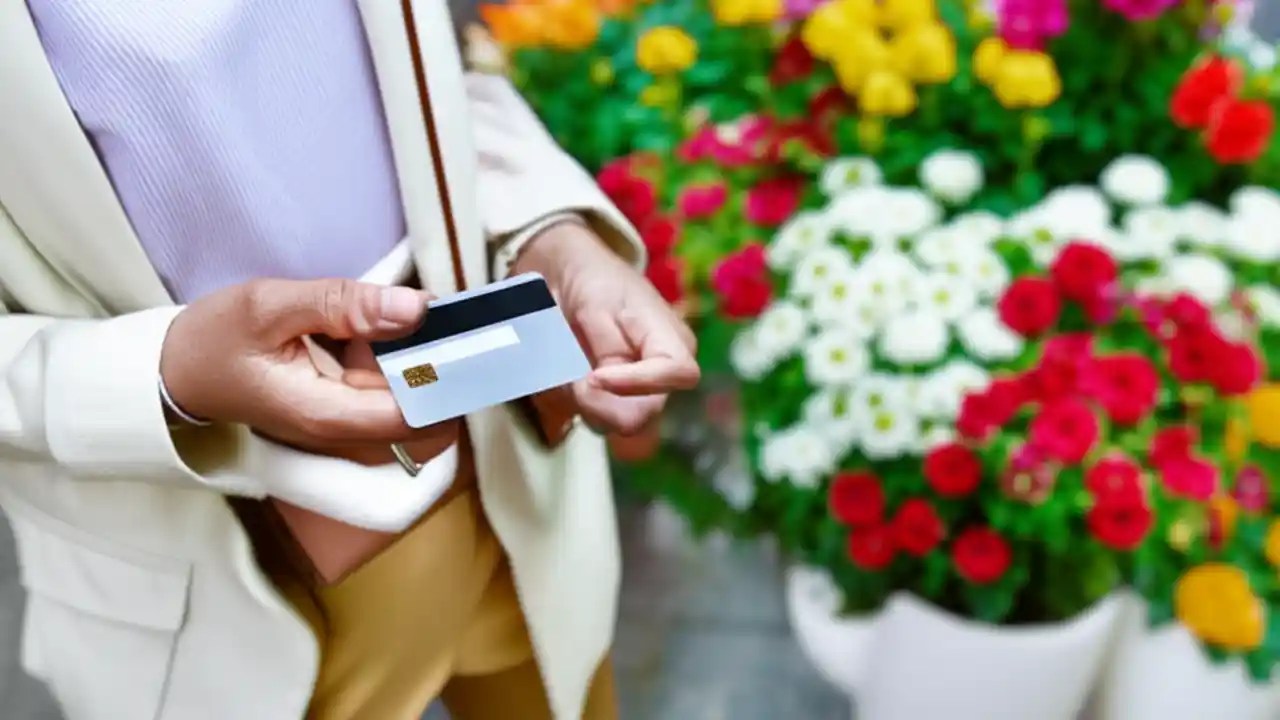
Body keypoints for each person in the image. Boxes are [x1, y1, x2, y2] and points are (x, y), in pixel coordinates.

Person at [0, 1, 698, 719]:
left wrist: (552, 234)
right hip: (218, 582)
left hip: (501, 465)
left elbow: (437, 71)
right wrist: (163, 374)